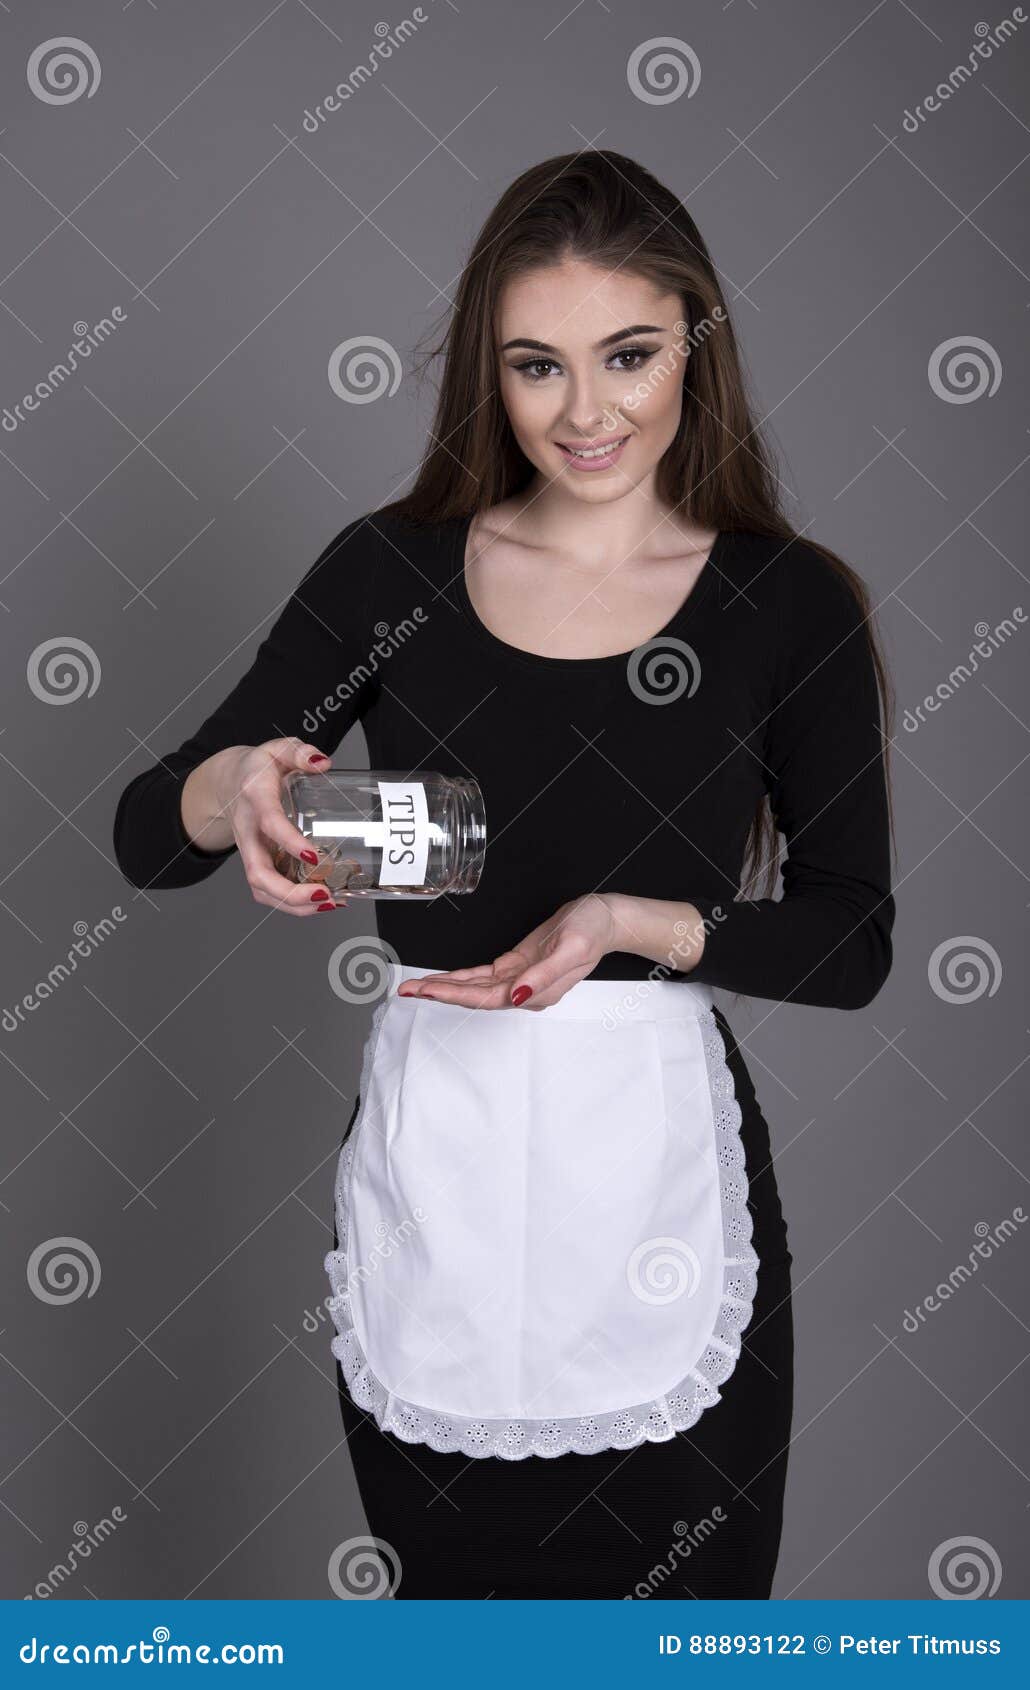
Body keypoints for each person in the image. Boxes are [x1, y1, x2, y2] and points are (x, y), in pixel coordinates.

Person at [113, 149, 895, 1600]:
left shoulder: (782, 605)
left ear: (695, 349)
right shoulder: (389, 579)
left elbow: (852, 941)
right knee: (459, 1632)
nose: (584, 411)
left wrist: (626, 922)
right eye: (536, 366)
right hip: (442, 1181)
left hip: (659, 1184)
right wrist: (237, 791)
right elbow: (150, 834)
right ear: (488, 368)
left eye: (629, 357)